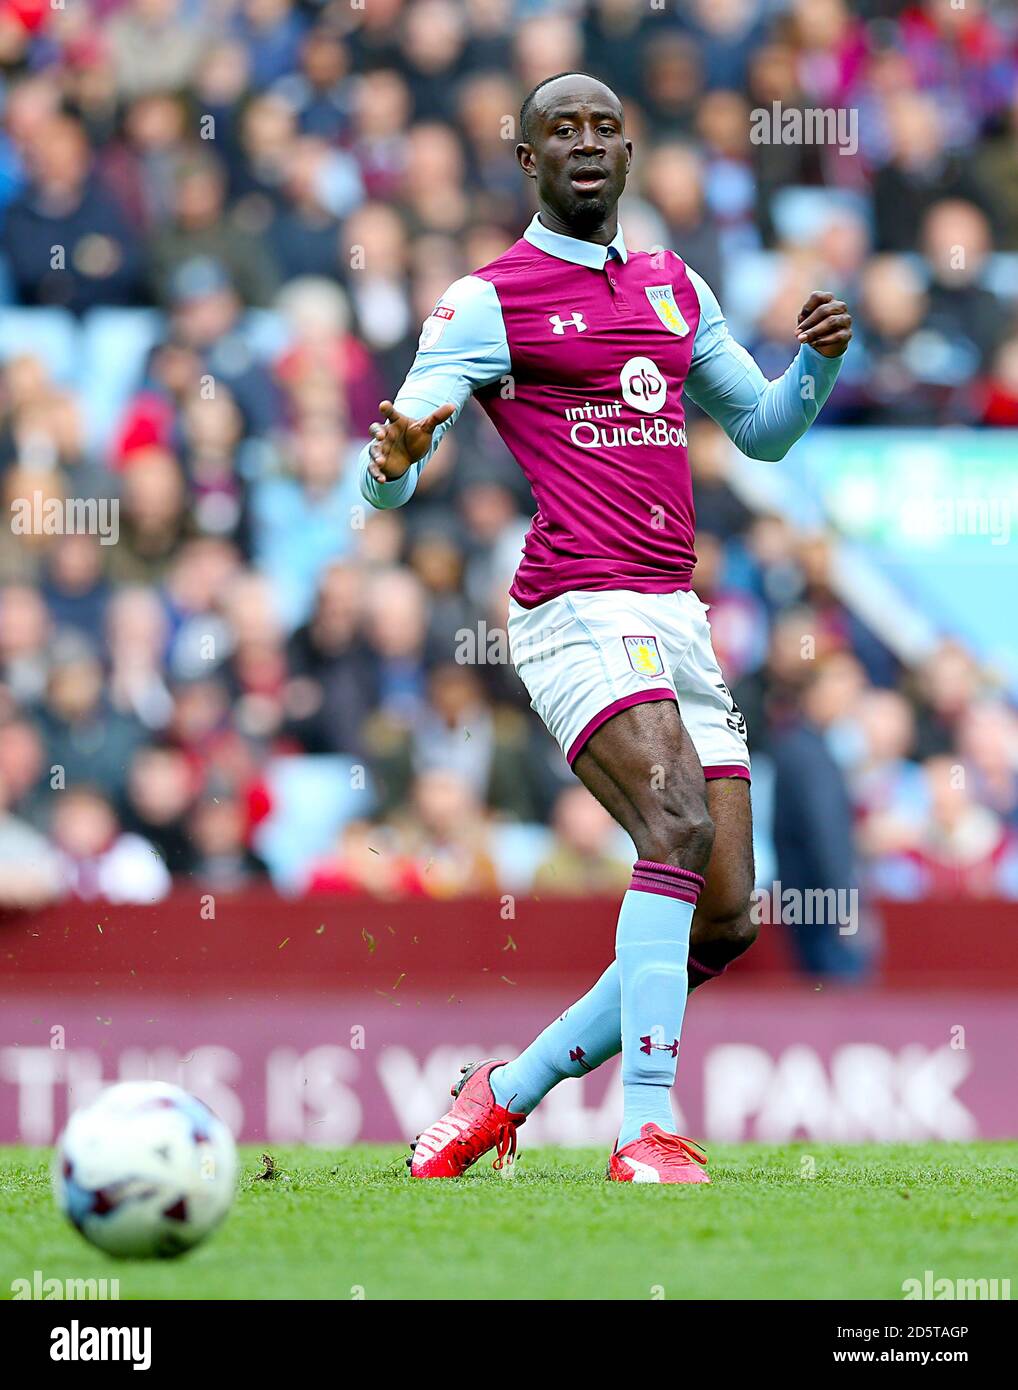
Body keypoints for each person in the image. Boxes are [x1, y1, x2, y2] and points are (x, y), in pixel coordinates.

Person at [360, 72, 851, 1184]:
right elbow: (393, 457)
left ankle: (505, 1091)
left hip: (670, 608)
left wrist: (816, 363)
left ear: (627, 156)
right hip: (569, 603)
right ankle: (641, 1130)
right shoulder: (487, 300)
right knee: (671, 827)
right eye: (557, 130)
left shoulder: (678, 286)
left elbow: (765, 433)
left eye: (602, 128)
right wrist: (389, 467)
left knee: (723, 918)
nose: (584, 143)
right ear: (525, 162)